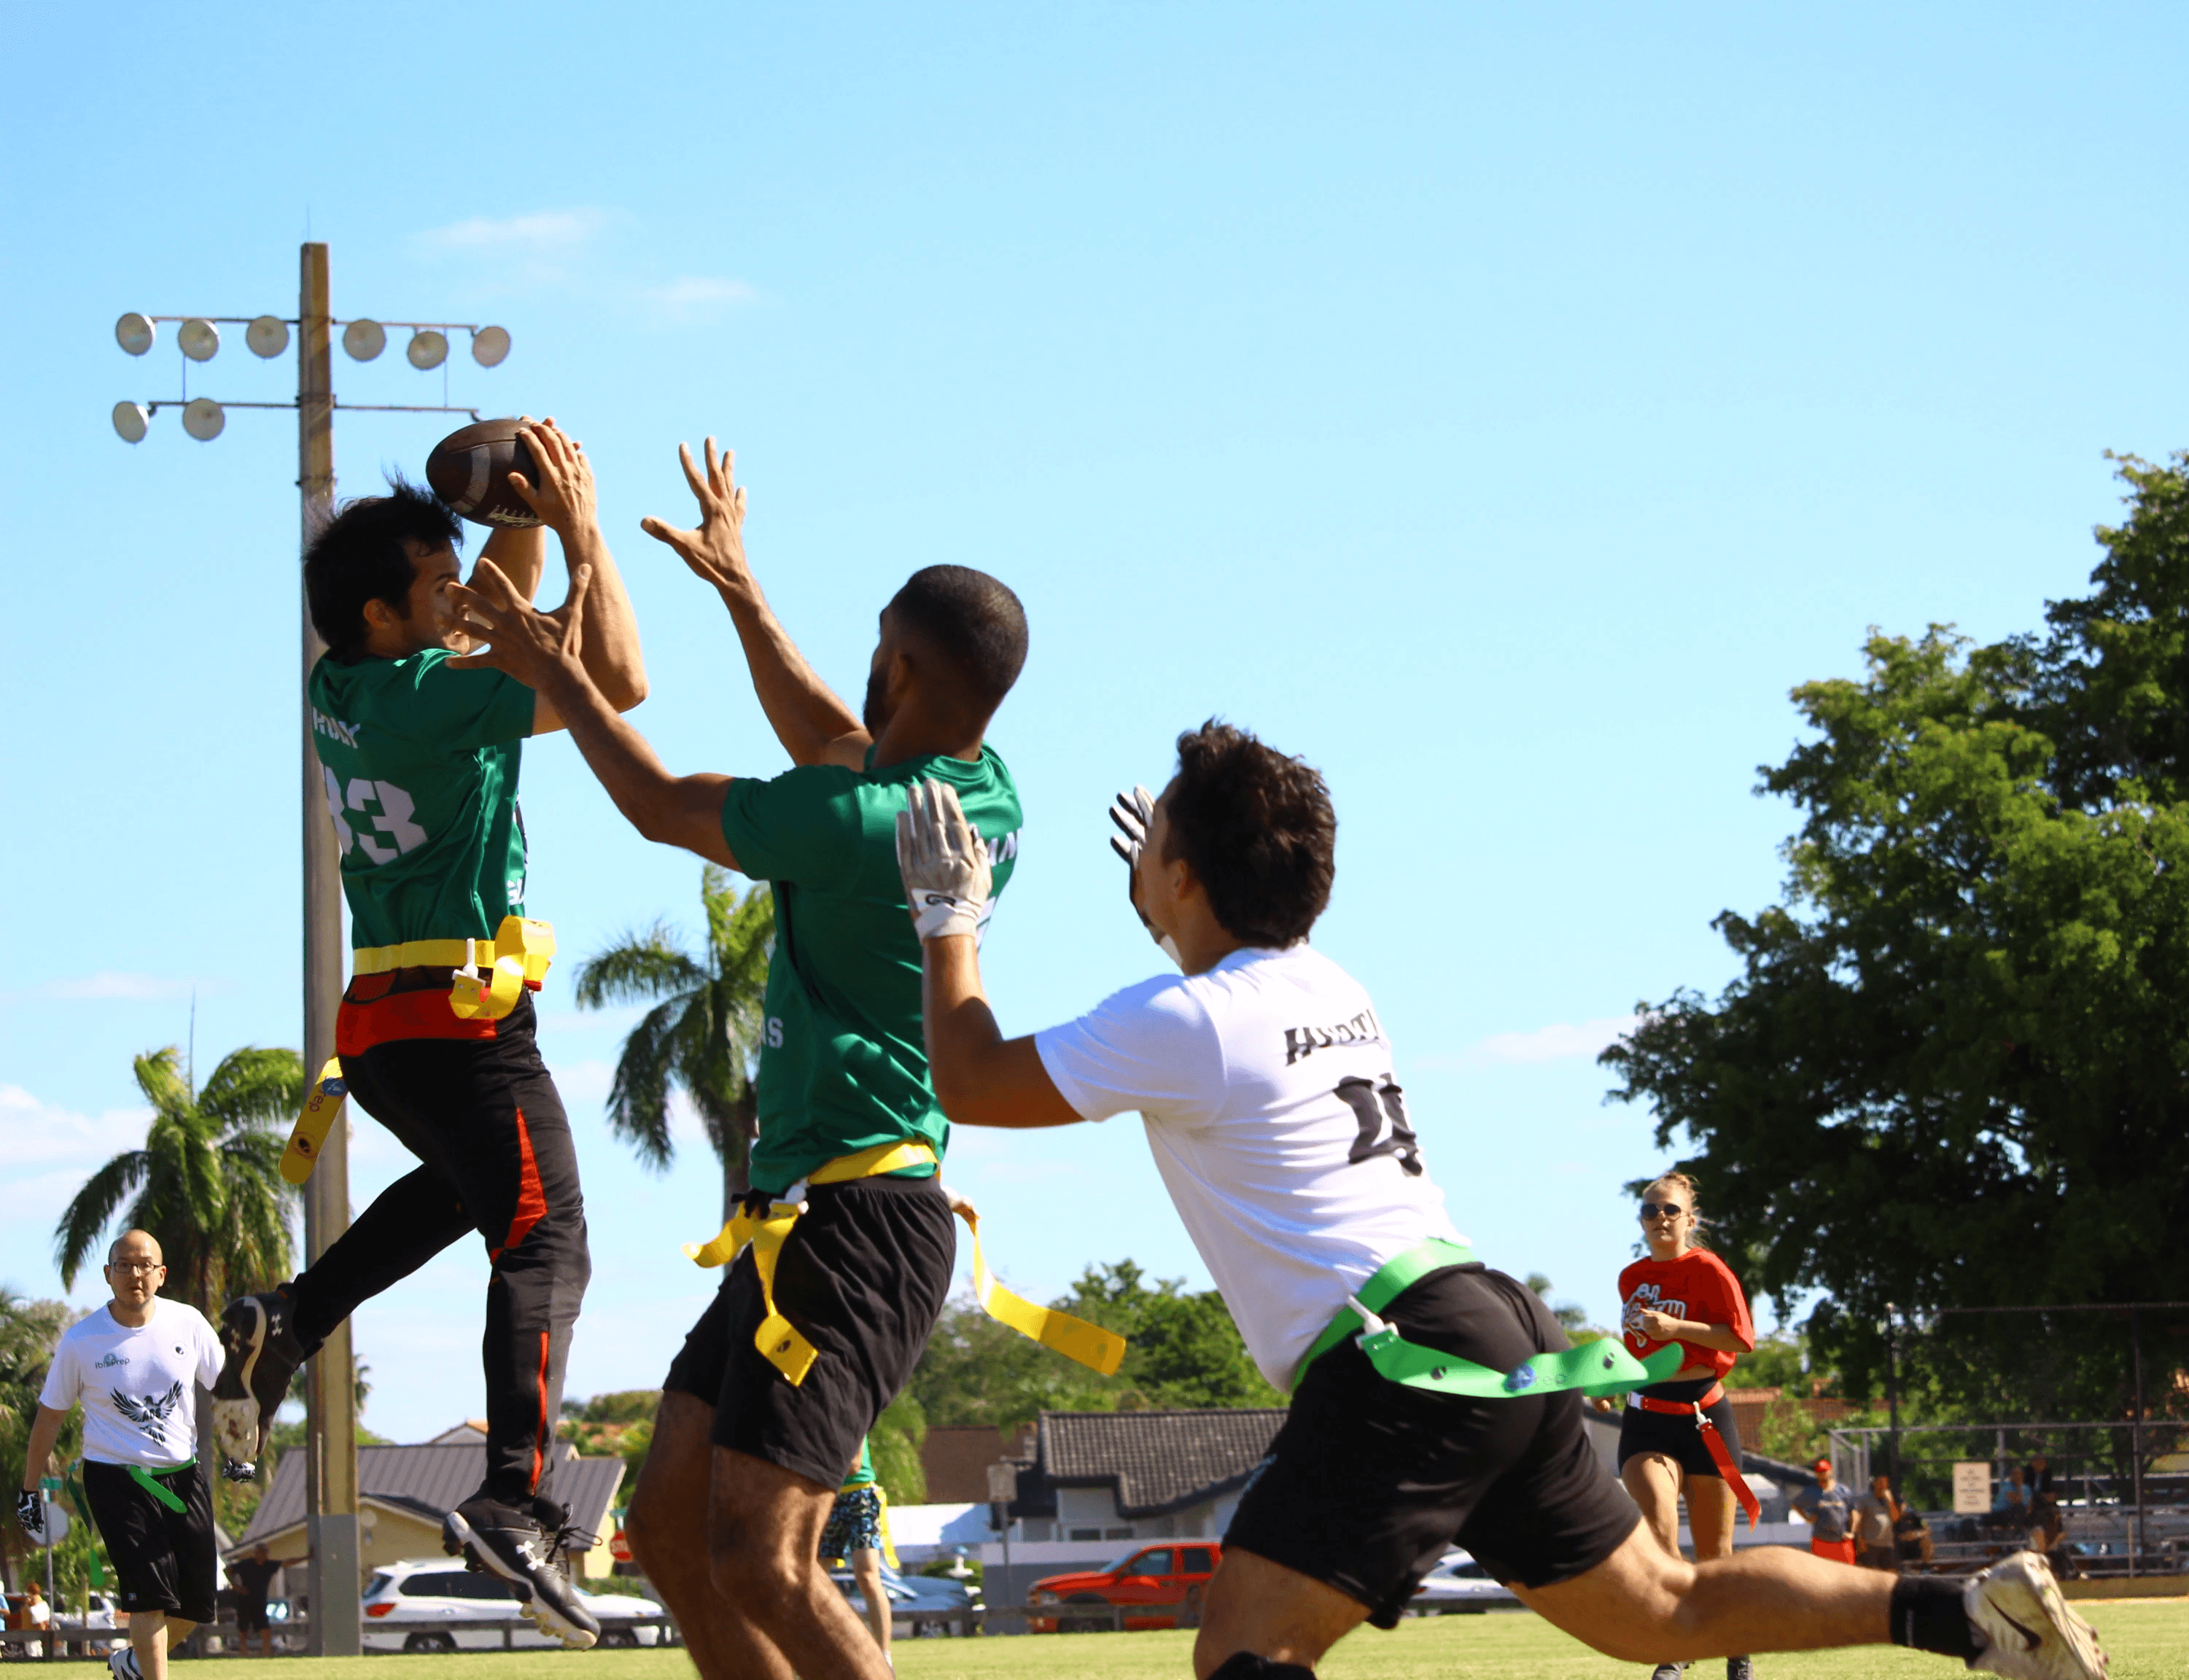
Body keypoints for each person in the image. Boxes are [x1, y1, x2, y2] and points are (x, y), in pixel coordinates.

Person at [887, 723, 2106, 1680]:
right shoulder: (1326, 977)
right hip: (1486, 1321)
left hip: (1396, 1358)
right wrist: (1176, 897)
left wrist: (951, 916)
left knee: (1244, 1649)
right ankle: (1965, 1611)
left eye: (1154, 842)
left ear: (1196, 874)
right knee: (1657, 1609)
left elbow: (971, 1074)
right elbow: (1219, 1020)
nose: (1138, 857)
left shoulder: (1183, 1017)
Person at [439, 436, 1028, 1680]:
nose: (862, 666)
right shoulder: (974, 794)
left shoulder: (854, 821)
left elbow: (657, 803)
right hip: (811, 1214)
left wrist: (557, 664)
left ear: (903, 665)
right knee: (665, 1527)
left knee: (764, 1556)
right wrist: (740, 590)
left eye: (876, 642)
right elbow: (830, 731)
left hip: (857, 1219)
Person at [209, 421, 647, 1651]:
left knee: (467, 1191)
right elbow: (615, 678)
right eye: (436, 582)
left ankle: (294, 1314)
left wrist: (500, 506)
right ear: (382, 613)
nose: (463, 593)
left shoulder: (343, 682)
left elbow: (474, 610)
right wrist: (580, 528)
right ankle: (514, 1498)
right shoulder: (438, 698)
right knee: (546, 1237)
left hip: (386, 1027)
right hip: (465, 1023)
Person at [17, 1232, 223, 1680]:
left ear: (161, 1274)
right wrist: (29, 1489)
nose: (135, 1274)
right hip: (116, 1479)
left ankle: (130, 1664)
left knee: (197, 1604)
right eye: (124, 1265)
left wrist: (243, 1446)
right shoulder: (81, 1340)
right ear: (108, 1274)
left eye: (145, 1265)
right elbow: (49, 1419)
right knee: (150, 1596)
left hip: (182, 1478)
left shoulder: (188, 1324)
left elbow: (227, 1391)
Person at [1597, 1172, 1757, 1680]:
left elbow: (1740, 1340)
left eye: (1669, 1210)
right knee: (1661, 1527)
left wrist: (1678, 1328)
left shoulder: (1709, 1268)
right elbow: (1638, 1349)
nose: (1659, 1219)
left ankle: (1737, 1647)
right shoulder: (1630, 1277)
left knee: (1715, 1555)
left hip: (1704, 1415)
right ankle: (1676, 1645)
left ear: (1691, 1219)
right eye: (1650, 1211)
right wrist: (1610, 1378)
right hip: (1646, 1417)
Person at [821, 1439, 890, 1660]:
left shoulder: (851, 1410)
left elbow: (854, 1464)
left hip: (860, 1496)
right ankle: (820, 1651)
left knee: (868, 1576)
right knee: (815, 1579)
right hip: (827, 1497)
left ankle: (883, 1656)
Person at [1792, 1458, 1858, 1563]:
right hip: (1821, 1542)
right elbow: (1795, 1505)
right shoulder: (1812, 1492)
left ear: (1830, 1471)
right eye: (1820, 1472)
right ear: (1816, 1474)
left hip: (1842, 1541)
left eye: (1825, 1471)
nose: (1823, 1474)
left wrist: (1851, 1532)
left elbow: (1854, 1512)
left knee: (1847, 1574)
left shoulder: (1843, 1491)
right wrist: (1807, 1519)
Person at [226, 1544, 280, 1657]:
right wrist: (236, 1586)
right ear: (256, 1553)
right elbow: (228, 1570)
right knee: (243, 1630)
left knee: (265, 1630)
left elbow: (286, 1563)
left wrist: (306, 1558)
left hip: (260, 1603)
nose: (264, 1555)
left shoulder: (269, 1565)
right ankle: (244, 1654)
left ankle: (266, 1654)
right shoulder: (246, 1564)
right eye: (261, 1552)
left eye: (266, 1552)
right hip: (245, 1601)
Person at [1855, 1475, 1901, 1572]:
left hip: (1887, 1544)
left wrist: (1891, 1502)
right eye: (1880, 1483)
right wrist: (1860, 1540)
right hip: (1870, 1544)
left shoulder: (1890, 1500)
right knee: (1872, 1573)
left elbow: (1896, 1519)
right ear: (1875, 1484)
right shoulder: (1865, 1499)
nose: (1882, 1486)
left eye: (1885, 1483)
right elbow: (1858, 1520)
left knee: (1891, 1573)